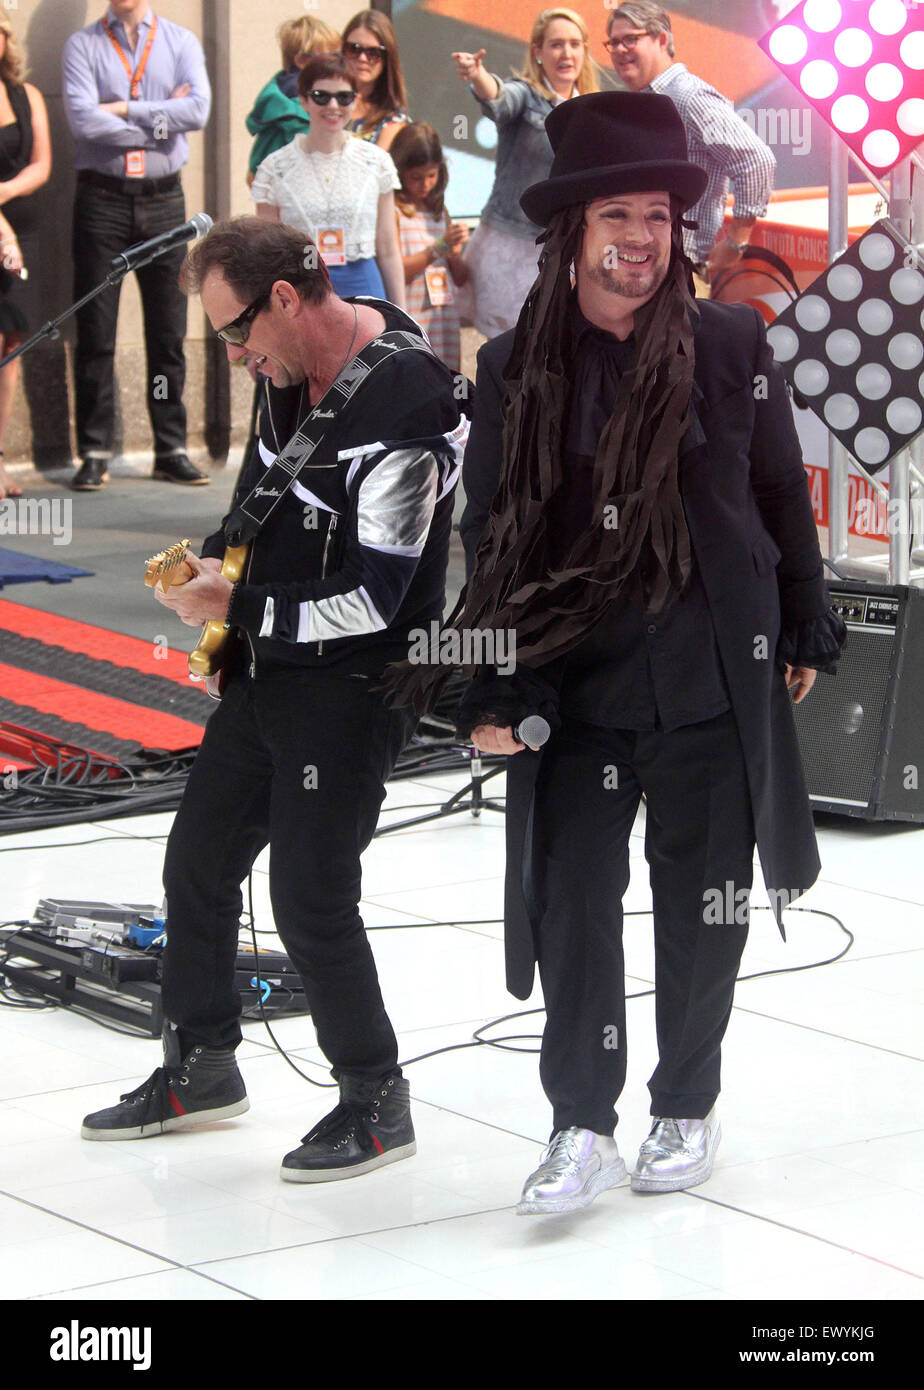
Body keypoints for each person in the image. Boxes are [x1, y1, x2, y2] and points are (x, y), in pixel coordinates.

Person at [392, 92, 845, 1215]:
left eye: (660, 213)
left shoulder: (731, 339)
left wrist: (802, 612)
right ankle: (580, 1122)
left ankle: (686, 1102)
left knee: (707, 907)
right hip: (578, 685)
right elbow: (492, 533)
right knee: (572, 906)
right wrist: (493, 674)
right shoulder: (511, 371)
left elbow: (779, 487)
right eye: (619, 212)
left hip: (703, 675)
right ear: (572, 230)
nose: (643, 235)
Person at [80, 217, 469, 1182]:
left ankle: (376, 1100)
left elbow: (378, 598)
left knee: (309, 894)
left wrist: (240, 606)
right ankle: (203, 1065)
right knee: (198, 863)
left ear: (287, 299)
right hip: (271, 663)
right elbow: (259, 498)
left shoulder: (407, 400)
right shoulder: (285, 372)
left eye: (234, 333)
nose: (233, 354)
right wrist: (212, 576)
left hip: (357, 682)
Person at [62, 0, 211, 491]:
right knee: (96, 332)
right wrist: (162, 122)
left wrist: (125, 109)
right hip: (101, 199)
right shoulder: (83, 46)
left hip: (164, 199)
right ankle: (94, 450)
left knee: (167, 333)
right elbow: (84, 123)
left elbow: (199, 110)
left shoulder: (180, 41)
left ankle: (170, 447)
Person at [451, 8, 600, 338]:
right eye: (556, 44)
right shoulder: (526, 94)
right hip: (512, 249)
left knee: (559, 352)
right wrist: (478, 75)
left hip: (572, 251)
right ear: (538, 51)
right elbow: (498, 98)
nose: (566, 53)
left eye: (575, 44)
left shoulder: (593, 107)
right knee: (510, 354)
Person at [606, 2, 775, 289]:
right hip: (646, 266)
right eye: (613, 42)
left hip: (679, 271)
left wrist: (736, 242)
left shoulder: (687, 96)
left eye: (631, 39)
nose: (620, 49)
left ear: (661, 39)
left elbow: (756, 160)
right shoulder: (650, 99)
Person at [251, 53, 405, 306]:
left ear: (355, 101)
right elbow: (267, 257)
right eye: (321, 96)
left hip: (365, 288)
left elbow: (388, 248)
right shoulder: (274, 169)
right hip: (302, 292)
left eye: (343, 97)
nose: (333, 106)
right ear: (303, 99)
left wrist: (404, 319)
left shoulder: (376, 162)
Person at [0, 14, 51, 501]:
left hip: (23, 232)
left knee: (11, 348)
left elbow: (41, 165)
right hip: (4, 231)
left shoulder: (26, 95)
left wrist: (3, 192)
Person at [392, 122, 469, 374]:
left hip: (443, 319)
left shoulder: (439, 212)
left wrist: (454, 252)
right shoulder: (395, 211)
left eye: (432, 175)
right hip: (414, 319)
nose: (425, 184)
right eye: (416, 177)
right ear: (400, 172)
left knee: (447, 384)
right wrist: (436, 248)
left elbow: (460, 277)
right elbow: (396, 271)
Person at [245, 13, 340, 187]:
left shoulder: (278, 89)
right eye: (330, 57)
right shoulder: (298, 98)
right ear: (302, 60)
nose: (338, 64)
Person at [341, 10, 409, 153]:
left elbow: (374, 171)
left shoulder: (394, 121)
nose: (362, 58)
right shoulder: (322, 102)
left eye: (373, 53)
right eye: (354, 49)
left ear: (387, 58)